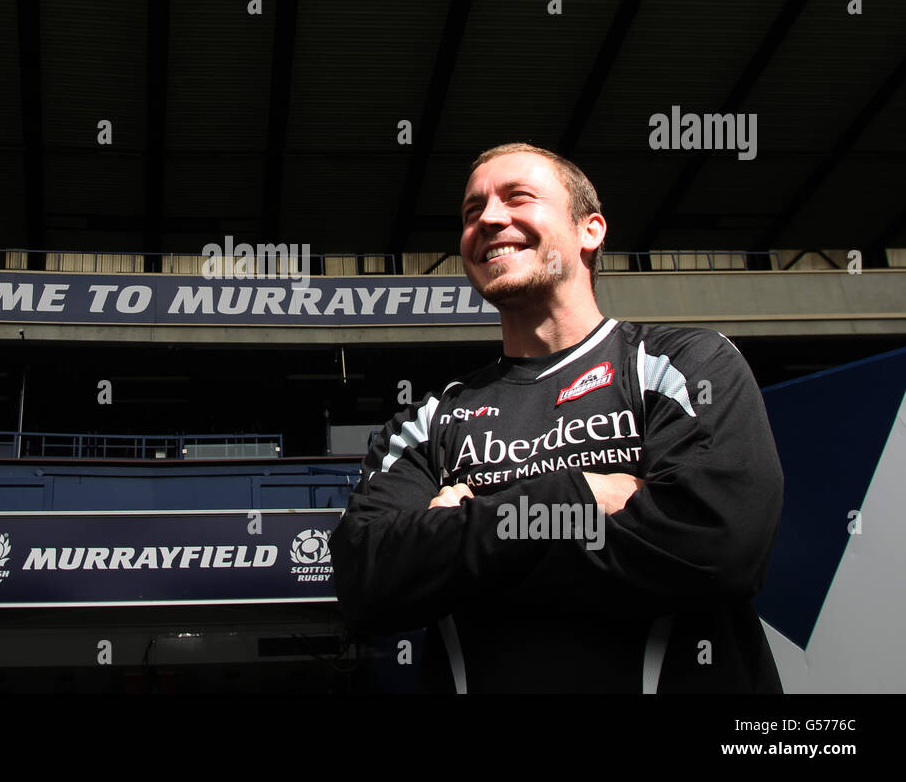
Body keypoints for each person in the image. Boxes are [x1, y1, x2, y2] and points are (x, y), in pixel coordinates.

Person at [329, 142, 784, 693]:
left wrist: (462, 530)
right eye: (472, 212)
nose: (489, 219)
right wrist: (578, 496)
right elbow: (366, 580)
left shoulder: (684, 364)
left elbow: (718, 548)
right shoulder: (427, 420)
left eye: (517, 197)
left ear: (589, 230)